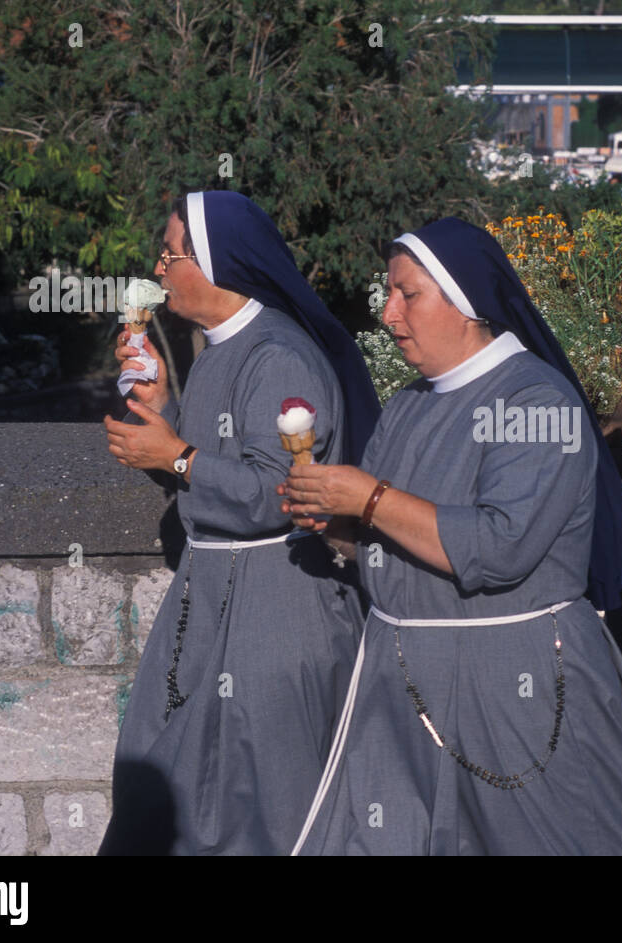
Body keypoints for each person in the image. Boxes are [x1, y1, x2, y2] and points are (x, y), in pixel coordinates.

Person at [280, 217, 622, 855]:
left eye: (408, 294)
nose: (387, 312)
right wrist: (339, 527)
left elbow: (497, 548)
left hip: (514, 685)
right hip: (403, 684)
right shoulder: (408, 404)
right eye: (389, 293)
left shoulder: (538, 403)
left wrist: (369, 499)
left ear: (464, 303)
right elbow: (389, 541)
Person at [99, 191, 380, 854]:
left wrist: (177, 454)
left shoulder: (279, 355)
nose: (160, 269)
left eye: (171, 254)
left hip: (277, 609)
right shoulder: (223, 348)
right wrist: (164, 415)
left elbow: (282, 490)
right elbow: (219, 467)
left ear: (215, 262)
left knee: (262, 807)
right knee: (171, 786)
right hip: (217, 594)